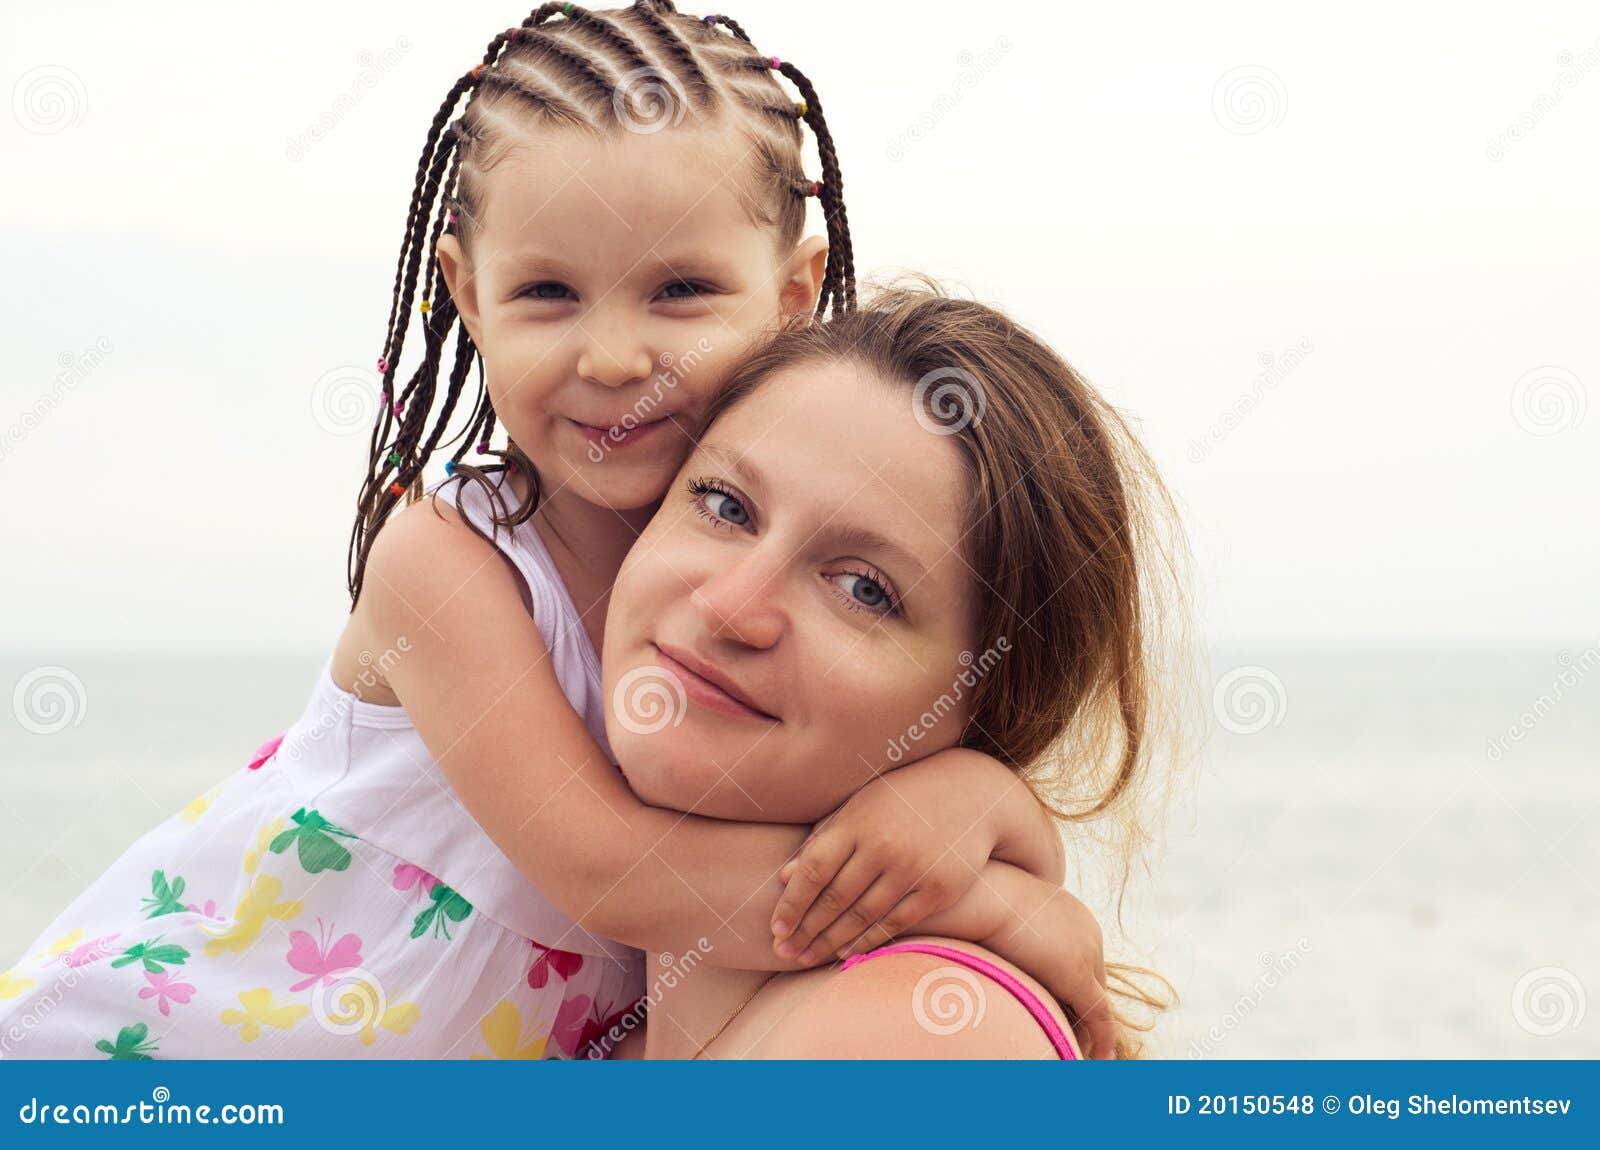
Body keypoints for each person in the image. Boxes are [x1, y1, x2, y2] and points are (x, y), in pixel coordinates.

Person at [0, 4, 1113, 1060]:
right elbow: (614, 877)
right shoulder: (449, 562)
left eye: (679, 289)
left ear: (791, 294)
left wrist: (978, 803)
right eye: (546, 293)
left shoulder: (732, 594)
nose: (613, 358)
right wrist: (998, 905)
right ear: (468, 296)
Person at [588, 286, 1184, 1058]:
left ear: (988, 703)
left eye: (865, 589)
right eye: (727, 506)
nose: (730, 608)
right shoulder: (597, 1020)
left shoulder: (918, 1033)